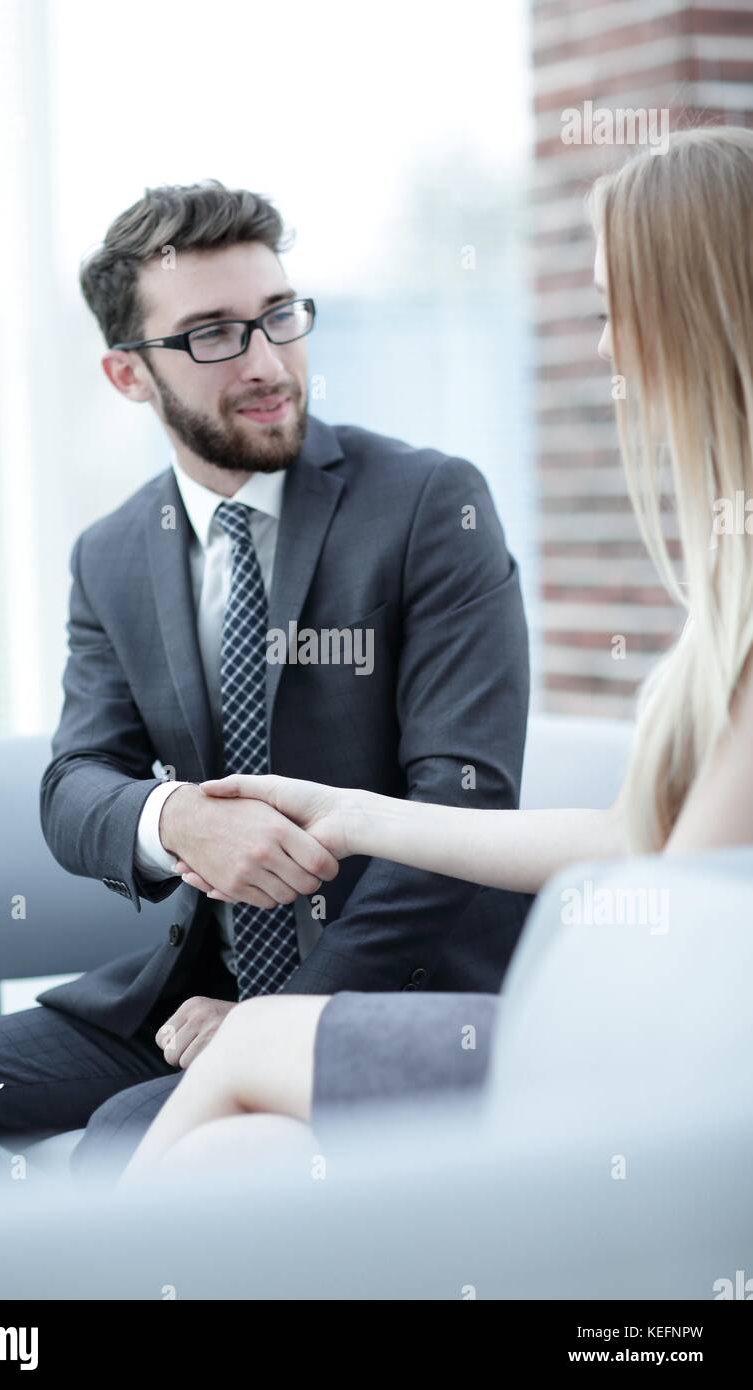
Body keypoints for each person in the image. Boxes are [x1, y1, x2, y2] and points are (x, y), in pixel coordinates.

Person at [122, 127, 753, 1180]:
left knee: (261, 1036)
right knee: (243, 1150)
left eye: (609, 311)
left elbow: (678, 902)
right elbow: (642, 840)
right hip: (662, 1030)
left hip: (677, 1059)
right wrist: (354, 812)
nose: (602, 349)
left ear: (689, 308)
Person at [0, 180, 531, 1170]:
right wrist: (174, 817)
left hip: (399, 993)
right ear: (126, 374)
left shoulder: (427, 506)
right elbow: (76, 789)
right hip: (182, 996)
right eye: (213, 335)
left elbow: (463, 803)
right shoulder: (111, 554)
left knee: (121, 1144)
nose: (269, 362)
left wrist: (271, 1017)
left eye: (278, 316)